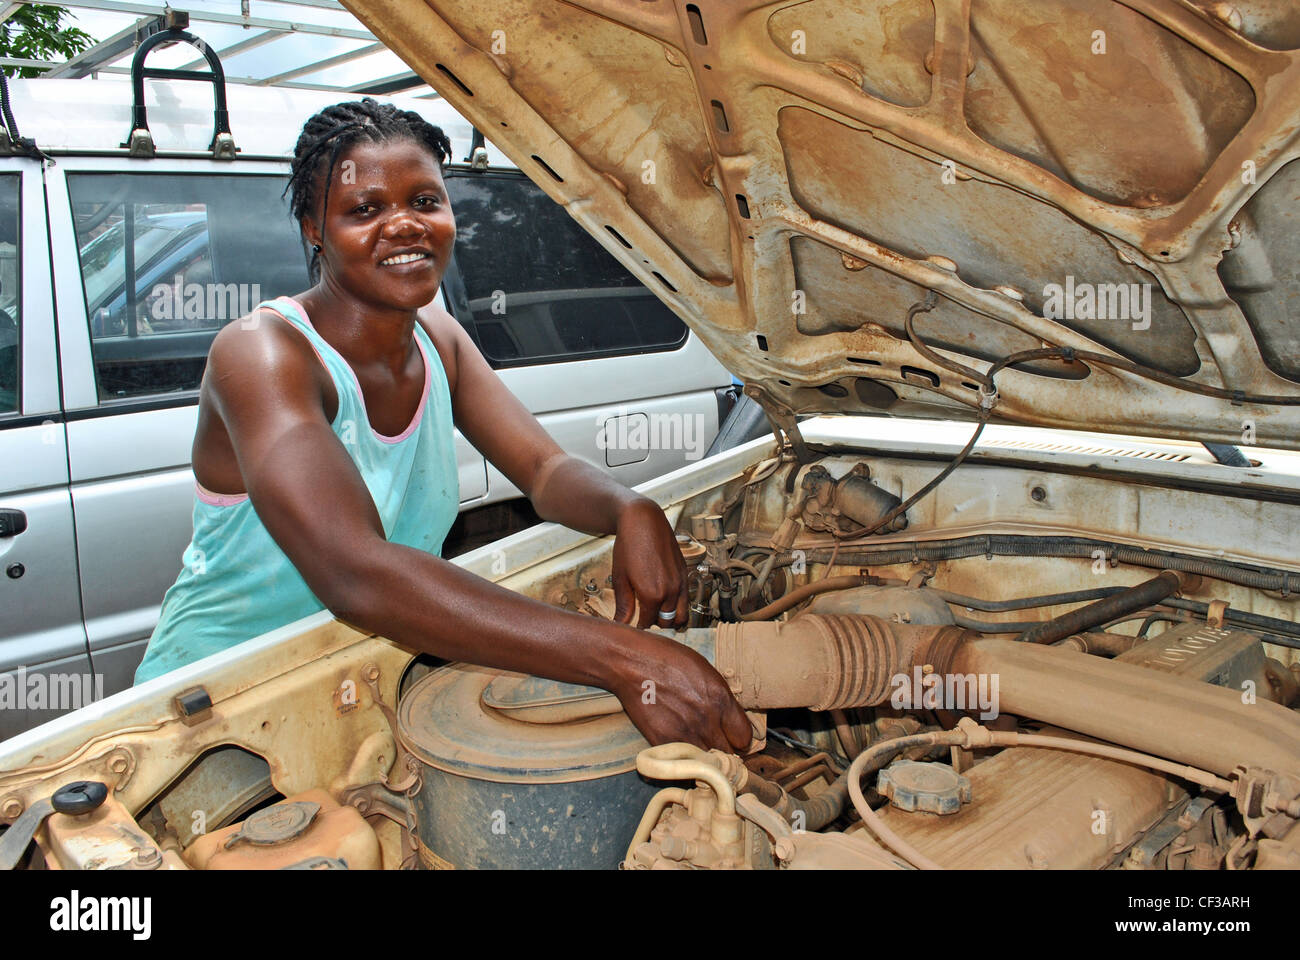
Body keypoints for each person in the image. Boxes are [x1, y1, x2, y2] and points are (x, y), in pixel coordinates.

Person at [133, 98, 751, 753]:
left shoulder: (440, 341)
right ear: (314, 228)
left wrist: (629, 508)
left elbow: (543, 472)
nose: (404, 226)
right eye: (364, 210)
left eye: (424, 201)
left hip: (364, 679)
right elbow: (356, 572)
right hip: (210, 709)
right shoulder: (261, 353)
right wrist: (623, 658)